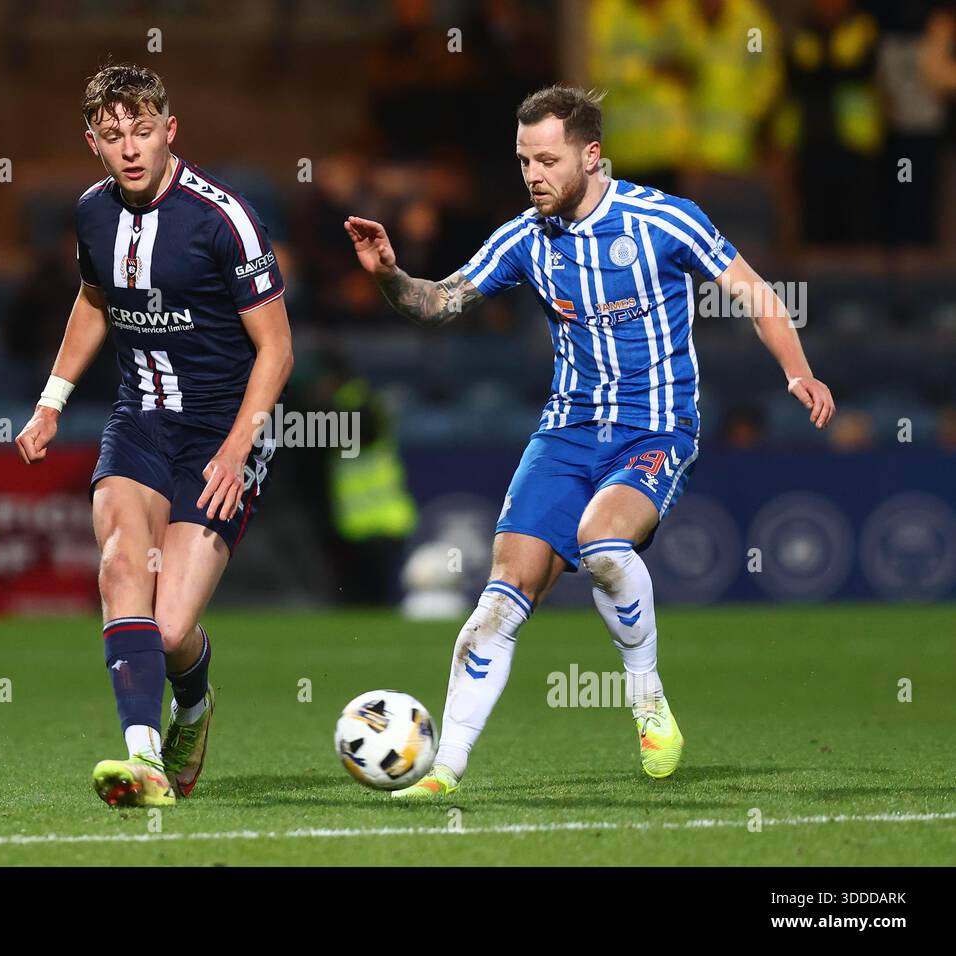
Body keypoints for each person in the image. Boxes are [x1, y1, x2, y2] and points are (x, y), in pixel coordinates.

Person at [344, 85, 834, 796]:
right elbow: (441, 301)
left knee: (604, 543)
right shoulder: (525, 238)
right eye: (522, 161)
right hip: (567, 433)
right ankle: (443, 770)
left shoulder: (661, 219)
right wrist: (392, 276)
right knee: (499, 599)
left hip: (656, 427)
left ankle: (645, 697)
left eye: (547, 159)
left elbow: (754, 291)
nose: (533, 175)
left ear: (591, 154)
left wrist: (798, 371)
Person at [14, 62, 294, 808]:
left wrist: (238, 449)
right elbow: (94, 299)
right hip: (138, 421)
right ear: (93, 145)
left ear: (170, 130)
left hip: (218, 432)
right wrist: (51, 401)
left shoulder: (224, 219)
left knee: (171, 633)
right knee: (118, 563)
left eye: (143, 131)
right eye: (114, 137)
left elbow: (278, 348)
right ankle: (142, 761)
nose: (131, 148)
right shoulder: (92, 214)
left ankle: (194, 708)